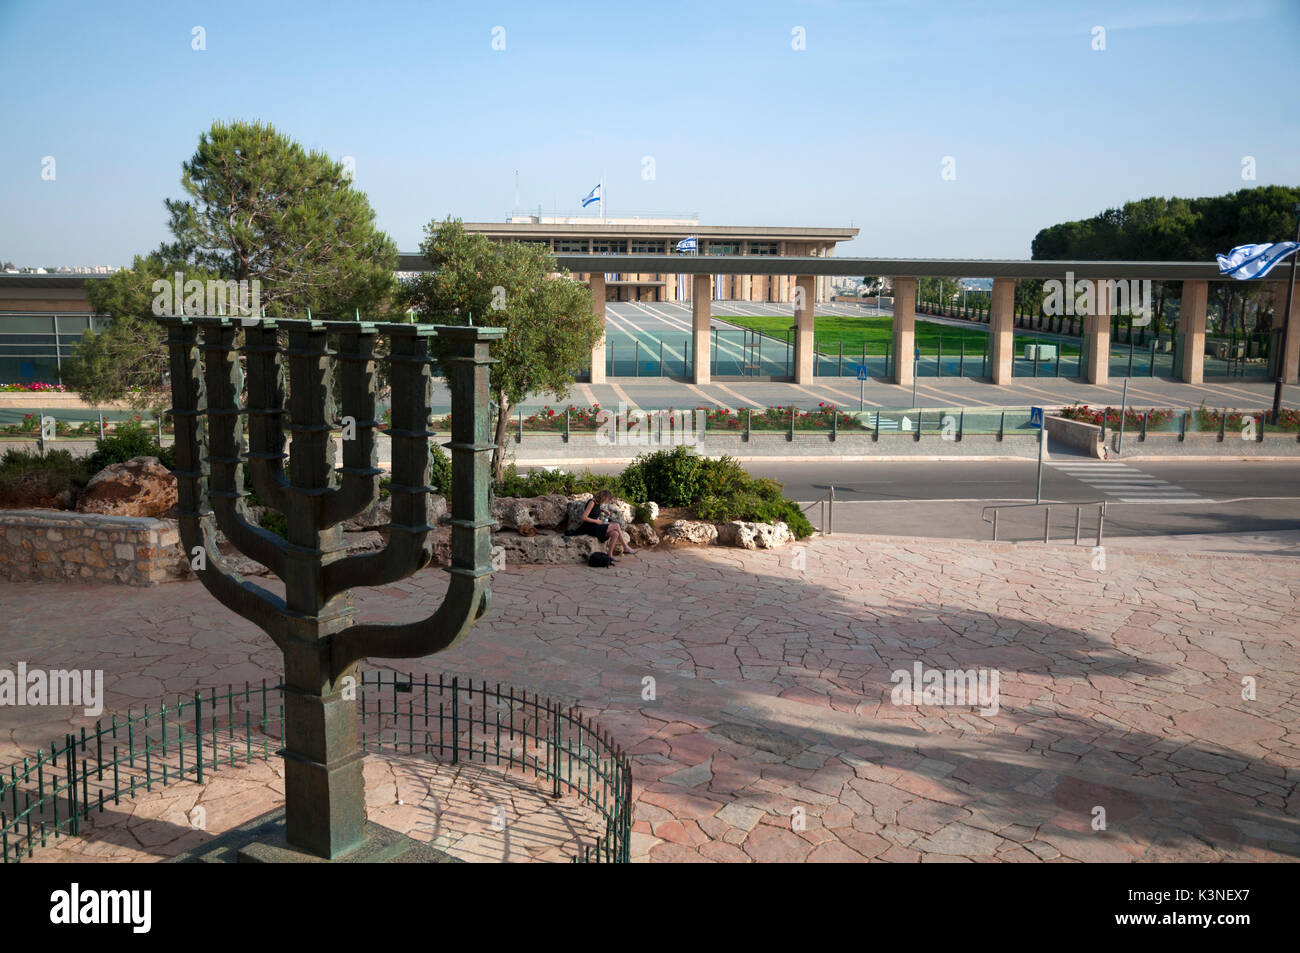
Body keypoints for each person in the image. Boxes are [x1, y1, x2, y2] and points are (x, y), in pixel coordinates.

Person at [578, 489, 636, 559]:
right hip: (589, 527)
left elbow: (595, 509)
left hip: (595, 526)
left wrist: (604, 511)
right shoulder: (592, 502)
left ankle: (610, 555)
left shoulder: (597, 502)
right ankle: (626, 547)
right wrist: (596, 521)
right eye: (607, 499)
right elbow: (584, 517)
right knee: (616, 525)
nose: (607, 501)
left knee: (615, 534)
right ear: (603, 497)